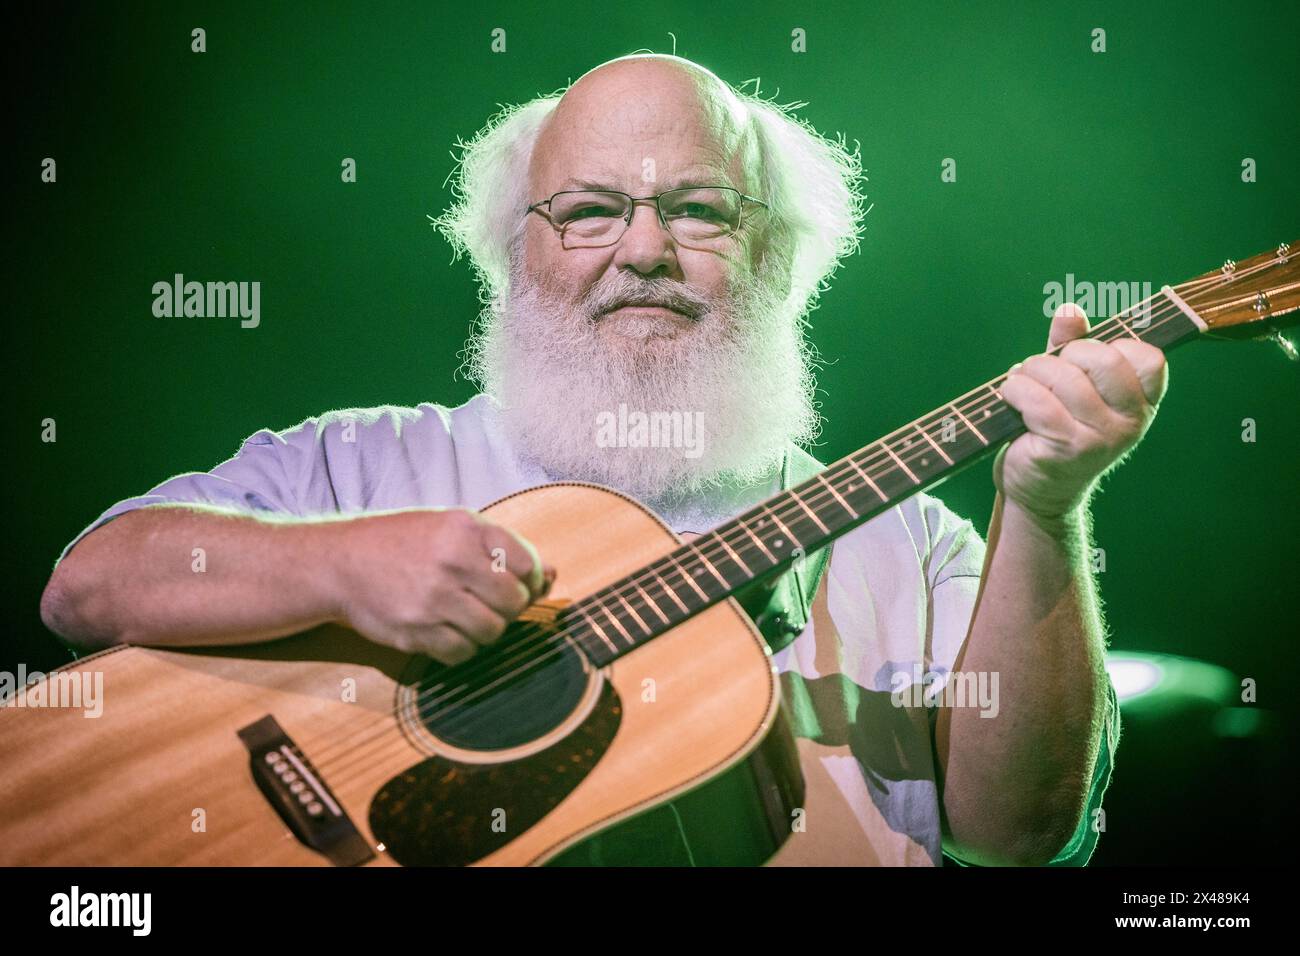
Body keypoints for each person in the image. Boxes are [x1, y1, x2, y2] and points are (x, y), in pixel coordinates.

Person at [40, 53, 1167, 867]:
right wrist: (340, 566)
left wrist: (1047, 502)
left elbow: (1020, 832)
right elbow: (84, 586)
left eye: (698, 210)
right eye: (587, 212)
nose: (642, 249)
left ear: (780, 255)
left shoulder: (910, 540)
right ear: (511, 251)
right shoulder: (359, 461)